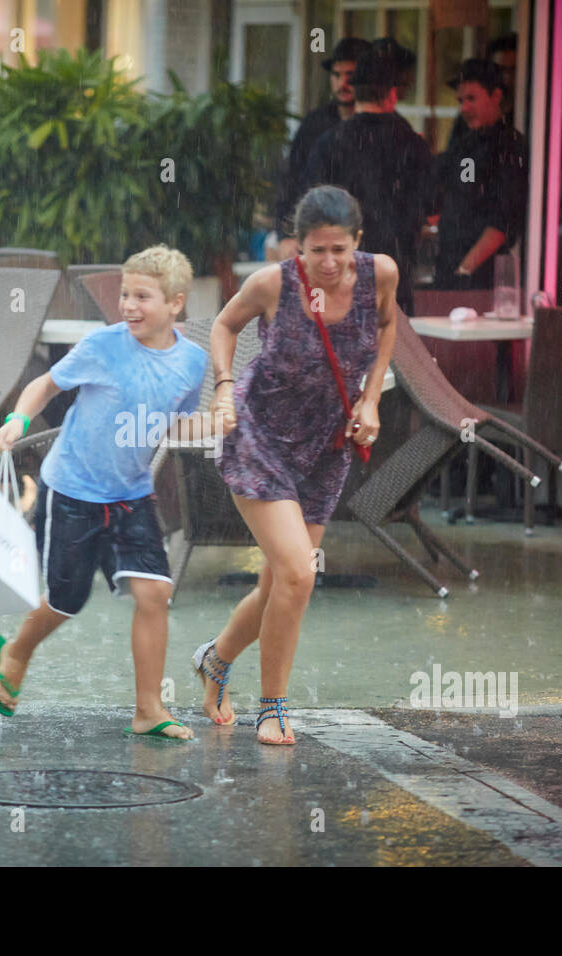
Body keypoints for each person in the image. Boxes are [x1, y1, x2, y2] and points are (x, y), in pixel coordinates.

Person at [200, 186, 398, 745]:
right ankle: (273, 706)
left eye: (340, 249)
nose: (329, 263)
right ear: (298, 247)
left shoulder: (380, 275)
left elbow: (388, 326)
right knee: (298, 573)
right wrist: (223, 388)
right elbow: (223, 326)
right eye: (316, 251)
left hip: (325, 446)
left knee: (278, 584)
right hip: (260, 435)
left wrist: (372, 398)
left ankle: (215, 661)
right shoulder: (273, 284)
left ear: (358, 242)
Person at [0, 246, 209, 740]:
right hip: (72, 489)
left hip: (131, 494)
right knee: (68, 599)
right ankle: (18, 650)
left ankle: (149, 709)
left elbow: (178, 424)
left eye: (142, 297)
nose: (129, 305)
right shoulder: (102, 346)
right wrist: (18, 420)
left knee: (155, 593)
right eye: (126, 294)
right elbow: (44, 385)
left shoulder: (192, 362)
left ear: (175, 303)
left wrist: (219, 424)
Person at [304, 43, 431, 313]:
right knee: (395, 349)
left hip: (340, 272)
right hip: (397, 273)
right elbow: (429, 207)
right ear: (392, 94)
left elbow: (311, 208)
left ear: (356, 92)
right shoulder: (413, 144)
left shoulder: (329, 143)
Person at [429, 58, 528, 290]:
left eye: (471, 98)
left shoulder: (510, 146)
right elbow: (451, 187)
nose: (464, 108)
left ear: (495, 96)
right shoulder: (464, 144)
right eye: (460, 101)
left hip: (481, 275)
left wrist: (465, 270)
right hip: (450, 264)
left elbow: (502, 221)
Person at [273, 37, 373, 259]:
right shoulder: (314, 124)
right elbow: (291, 179)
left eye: (350, 75)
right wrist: (285, 233)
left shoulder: (378, 125)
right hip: (318, 235)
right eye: (336, 75)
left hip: (366, 237)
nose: (342, 83)